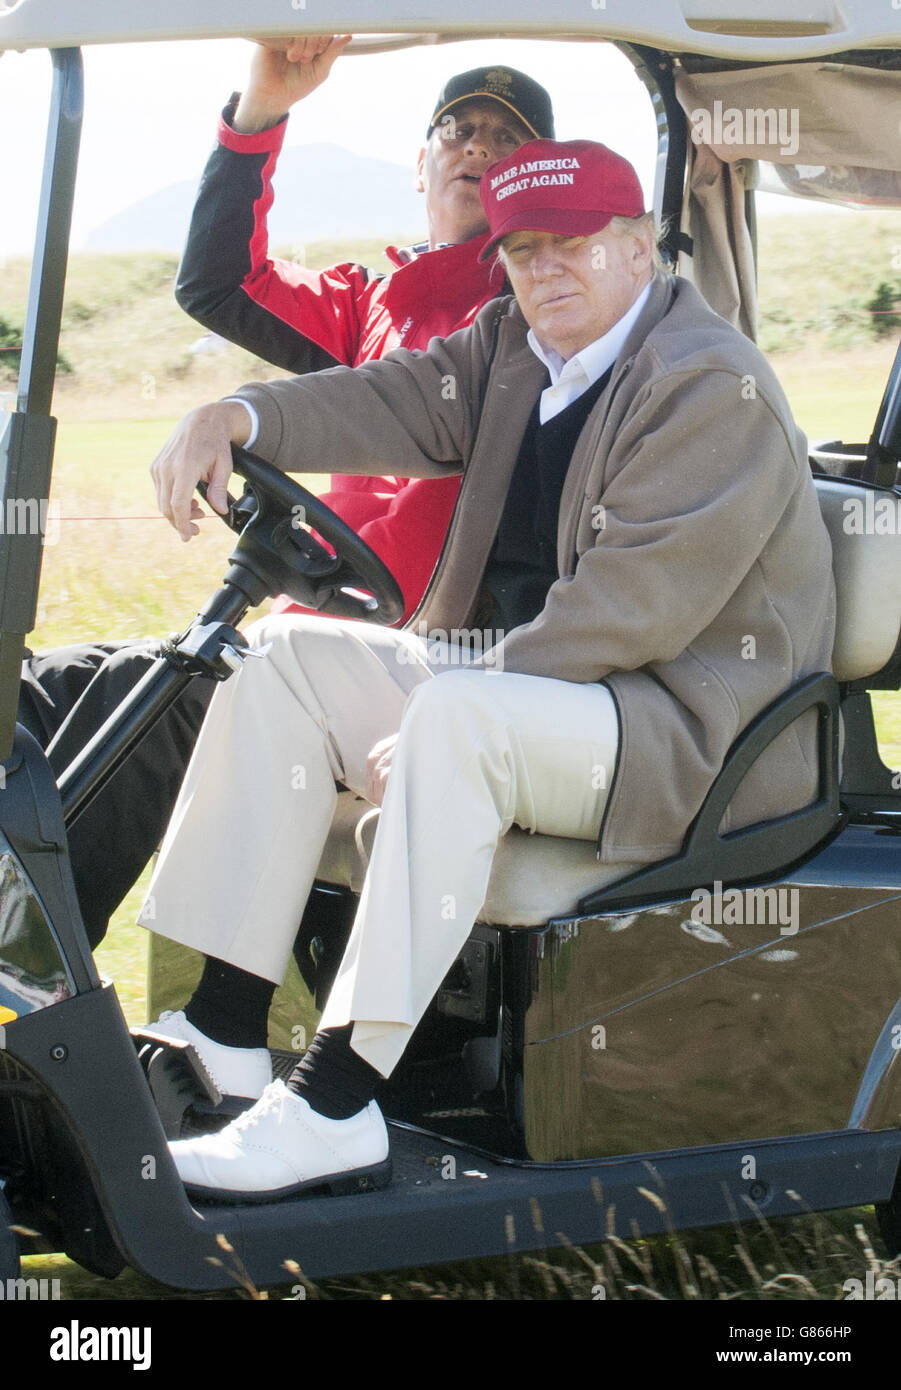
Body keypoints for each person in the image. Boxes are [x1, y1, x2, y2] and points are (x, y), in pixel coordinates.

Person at [140, 137, 836, 1201]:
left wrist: (455, 698)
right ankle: (223, 1033)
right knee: (285, 655)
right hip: (542, 698)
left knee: (456, 721)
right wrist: (241, 415)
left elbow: (629, 610)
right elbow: (394, 398)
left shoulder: (707, 384)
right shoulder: (515, 344)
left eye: (575, 243)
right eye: (521, 250)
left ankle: (333, 1105)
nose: (545, 269)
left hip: (687, 731)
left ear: (640, 246)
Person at [16, 43, 555, 948]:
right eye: (457, 130)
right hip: (327, 624)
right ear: (418, 165)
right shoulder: (373, 301)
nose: (476, 148)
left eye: (506, 141)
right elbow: (219, 284)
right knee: (49, 685)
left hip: (426, 652)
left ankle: (34, 979)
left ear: (535, 180)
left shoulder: (528, 309)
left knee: (168, 698)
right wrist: (260, 112)